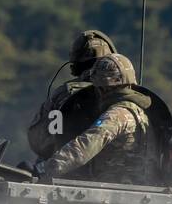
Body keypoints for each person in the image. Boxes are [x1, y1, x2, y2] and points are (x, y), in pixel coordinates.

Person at [35, 53, 157, 185]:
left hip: (115, 189)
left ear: (104, 88)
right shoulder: (139, 111)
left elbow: (86, 145)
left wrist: (46, 168)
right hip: (134, 188)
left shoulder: (117, 115)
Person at [27, 29, 118, 159]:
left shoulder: (63, 94)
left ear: (75, 65)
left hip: (65, 168)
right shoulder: (125, 95)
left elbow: (40, 141)